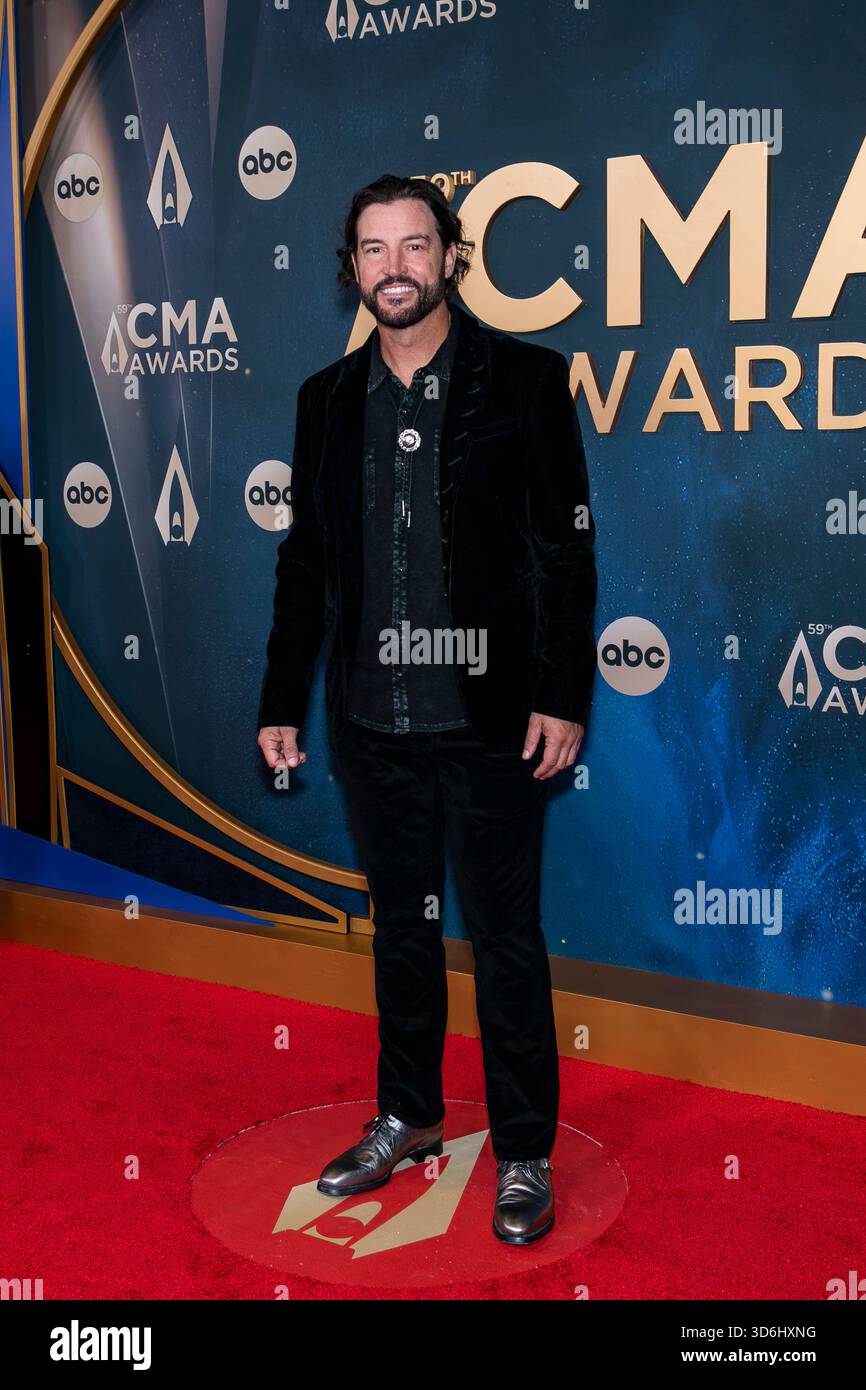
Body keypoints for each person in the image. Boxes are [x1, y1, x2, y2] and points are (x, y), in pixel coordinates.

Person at [257, 174, 598, 1244]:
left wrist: (559, 692)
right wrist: (283, 695)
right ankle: (405, 1112)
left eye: (415, 245)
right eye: (373, 249)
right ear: (349, 267)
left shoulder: (528, 381)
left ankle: (524, 1151)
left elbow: (563, 555)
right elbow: (305, 557)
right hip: (370, 721)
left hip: (490, 720)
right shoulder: (324, 398)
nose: (394, 266)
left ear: (450, 256)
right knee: (400, 930)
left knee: (501, 939)